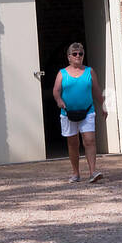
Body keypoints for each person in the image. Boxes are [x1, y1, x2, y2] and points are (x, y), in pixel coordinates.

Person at [52, 41, 106, 183]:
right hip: (68, 114)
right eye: (74, 54)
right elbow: (56, 91)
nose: (78, 56)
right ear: (69, 57)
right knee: (73, 143)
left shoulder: (89, 71)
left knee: (89, 141)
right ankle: (76, 173)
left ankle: (93, 172)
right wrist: (59, 101)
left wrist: (103, 105)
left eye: (80, 54)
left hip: (87, 111)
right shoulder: (62, 73)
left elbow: (96, 90)